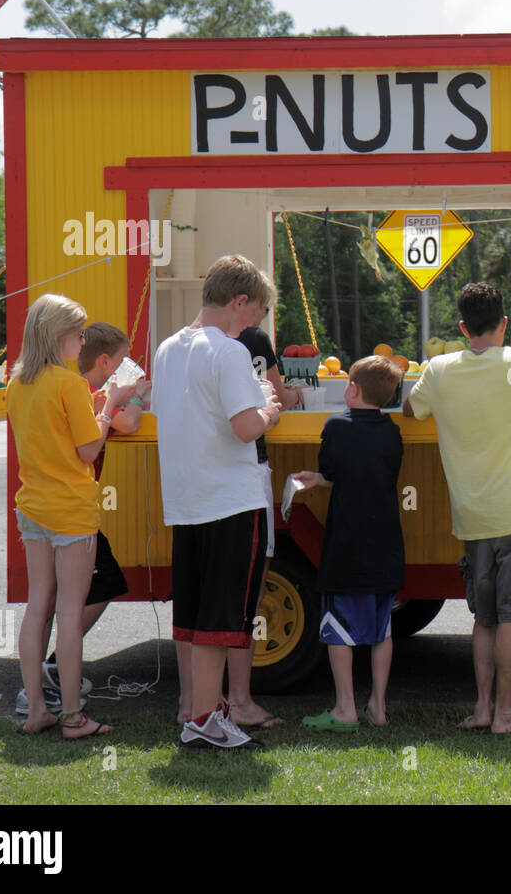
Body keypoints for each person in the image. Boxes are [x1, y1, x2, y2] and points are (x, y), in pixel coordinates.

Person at [403, 282, 511, 733]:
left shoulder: (437, 369)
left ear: (462, 327)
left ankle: (481, 709)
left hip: (471, 516)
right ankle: (506, 715)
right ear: (504, 322)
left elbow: (409, 410)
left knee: (485, 617)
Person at [153, 254, 282, 750]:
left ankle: (198, 712)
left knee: (193, 617)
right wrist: (270, 410)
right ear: (239, 300)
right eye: (256, 311)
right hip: (230, 500)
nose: (254, 324)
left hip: (186, 499)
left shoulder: (167, 348)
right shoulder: (228, 351)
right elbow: (245, 426)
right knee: (222, 619)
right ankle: (205, 718)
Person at [7, 294, 140, 738]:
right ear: (58, 336)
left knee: (37, 608)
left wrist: (96, 407)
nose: (82, 341)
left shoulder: (17, 382)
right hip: (71, 510)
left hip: (33, 506)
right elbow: (88, 449)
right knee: (68, 613)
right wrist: (109, 404)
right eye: (78, 334)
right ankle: (73, 717)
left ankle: (36, 710)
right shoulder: (68, 384)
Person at [294, 355, 404, 731]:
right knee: (382, 628)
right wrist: (324, 479)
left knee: (338, 625)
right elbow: (367, 474)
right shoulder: (392, 432)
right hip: (386, 542)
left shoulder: (336, 426)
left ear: (352, 389)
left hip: (346, 544)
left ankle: (345, 708)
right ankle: (378, 706)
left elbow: (334, 470)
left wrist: (319, 478)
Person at [222, 320, 301, 729]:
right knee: (250, 586)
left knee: (207, 589)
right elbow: (274, 401)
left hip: (202, 478)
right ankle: (239, 700)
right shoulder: (252, 338)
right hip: (247, 469)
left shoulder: (182, 346)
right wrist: (286, 400)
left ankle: (193, 703)